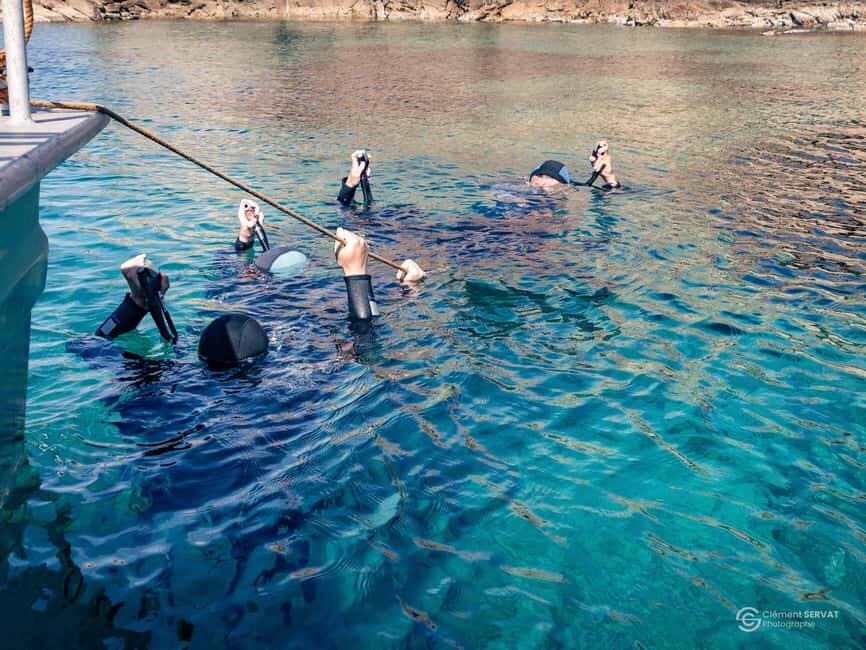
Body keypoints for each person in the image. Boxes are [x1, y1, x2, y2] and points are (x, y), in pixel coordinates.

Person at [234, 199, 309, 275]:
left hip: (250, 244)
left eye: (252, 211)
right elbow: (243, 203)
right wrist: (254, 217)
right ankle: (248, 274)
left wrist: (256, 209)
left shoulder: (257, 219)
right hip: (241, 245)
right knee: (246, 265)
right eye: (248, 212)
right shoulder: (245, 223)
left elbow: (260, 213)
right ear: (244, 214)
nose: (250, 213)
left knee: (251, 259)